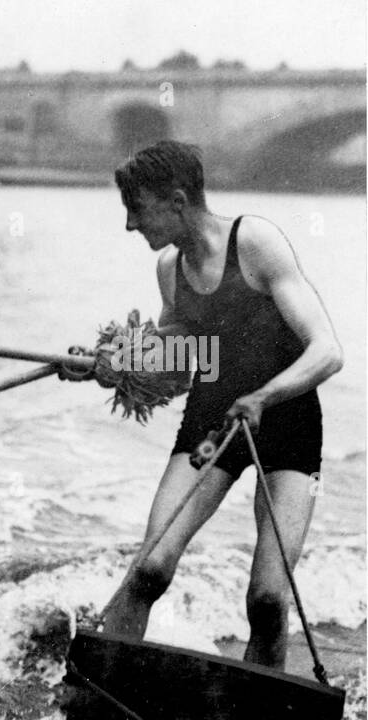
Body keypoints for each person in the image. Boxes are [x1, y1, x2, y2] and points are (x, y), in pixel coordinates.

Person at [100, 141, 343, 669]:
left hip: (289, 423)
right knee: (150, 569)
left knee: (268, 601)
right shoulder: (169, 269)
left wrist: (263, 396)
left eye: (137, 210)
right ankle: (99, 681)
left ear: (178, 200)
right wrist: (109, 364)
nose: (129, 225)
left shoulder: (255, 242)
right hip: (211, 426)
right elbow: (175, 363)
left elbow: (328, 351)